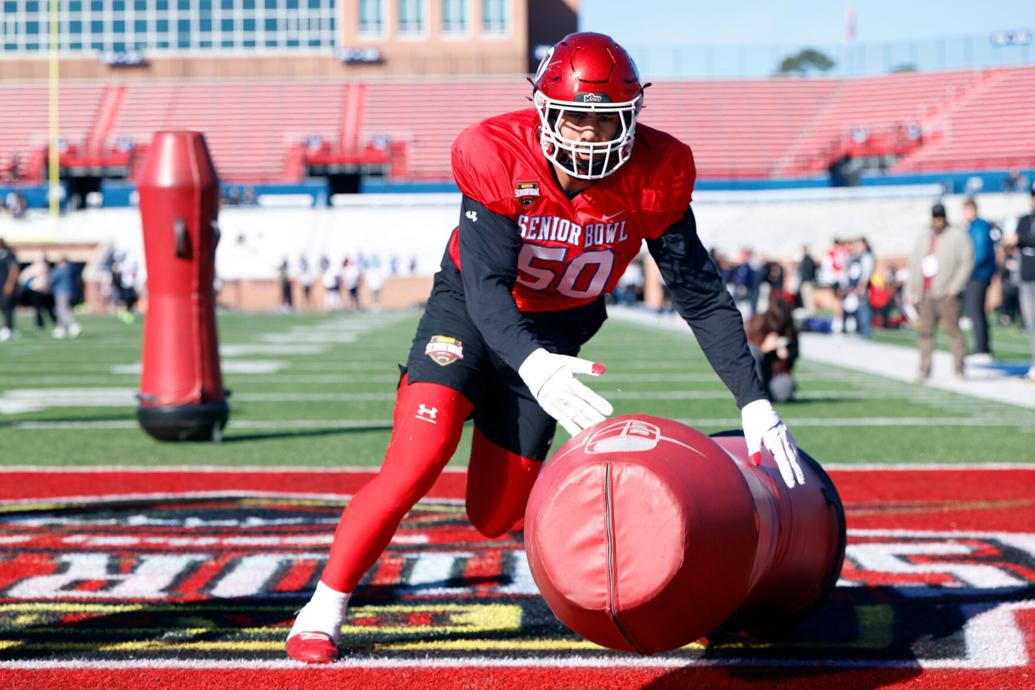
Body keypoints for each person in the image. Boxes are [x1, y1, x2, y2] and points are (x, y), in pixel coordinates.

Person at [283, 32, 807, 664]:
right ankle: (325, 605)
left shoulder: (657, 172)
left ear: (632, 117)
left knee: (494, 514)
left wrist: (752, 400)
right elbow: (486, 286)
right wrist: (533, 365)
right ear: (545, 110)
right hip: (472, 316)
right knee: (416, 462)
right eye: (577, 116)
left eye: (604, 119)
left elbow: (698, 293)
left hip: (558, 333)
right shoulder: (497, 154)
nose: (589, 132)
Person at [906, 203, 973, 381]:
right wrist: (912, 289)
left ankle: (959, 369)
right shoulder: (924, 237)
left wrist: (955, 286)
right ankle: (923, 370)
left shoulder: (957, 235)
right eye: (935, 218)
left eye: (940, 218)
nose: (938, 222)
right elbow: (914, 264)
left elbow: (966, 261)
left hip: (947, 292)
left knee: (954, 331)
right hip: (926, 293)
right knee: (925, 332)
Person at [961, 198, 998, 363]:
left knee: (975, 310)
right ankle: (982, 347)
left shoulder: (979, 226)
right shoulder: (974, 227)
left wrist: (968, 269)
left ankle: (982, 349)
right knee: (976, 311)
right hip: (978, 273)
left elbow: (980, 252)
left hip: (978, 274)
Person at [1007, 184, 1035, 380]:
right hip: (1027, 275)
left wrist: (1022, 240)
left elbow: (1024, 239)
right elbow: (1015, 240)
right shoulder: (1025, 220)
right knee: (1031, 324)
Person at [746, 297, 799, 402]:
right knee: (752, 350)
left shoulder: (790, 332)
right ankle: (756, 393)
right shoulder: (756, 323)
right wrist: (763, 349)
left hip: (774, 375)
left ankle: (767, 395)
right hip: (757, 374)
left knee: (786, 388)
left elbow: (790, 366)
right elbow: (745, 352)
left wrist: (784, 357)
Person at [49, 256, 81, 339]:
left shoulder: (59, 270)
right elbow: (78, 280)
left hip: (61, 292)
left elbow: (52, 280)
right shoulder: (72, 268)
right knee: (61, 310)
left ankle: (73, 325)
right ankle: (60, 329)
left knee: (63, 310)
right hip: (72, 291)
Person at [0, 238, 18, 341]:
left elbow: (14, 269)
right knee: (3, 307)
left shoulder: (8, 254)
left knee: (7, 307)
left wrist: (10, 283)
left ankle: (8, 328)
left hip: (5, 285)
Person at [795, 245, 818, 316]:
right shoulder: (808, 259)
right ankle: (809, 313)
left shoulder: (807, 260)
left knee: (808, 299)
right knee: (806, 298)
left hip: (807, 281)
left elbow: (808, 272)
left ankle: (811, 313)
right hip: (807, 281)